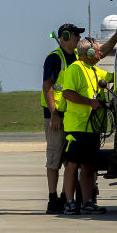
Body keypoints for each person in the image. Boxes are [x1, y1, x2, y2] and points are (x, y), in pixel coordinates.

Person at [60, 20, 117, 215]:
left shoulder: (95, 71)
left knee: (88, 166)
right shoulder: (75, 69)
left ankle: (87, 202)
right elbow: (67, 93)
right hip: (76, 127)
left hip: (91, 128)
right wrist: (90, 103)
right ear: (87, 53)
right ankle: (70, 202)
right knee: (72, 165)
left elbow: (114, 77)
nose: (100, 54)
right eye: (96, 51)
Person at [41, 23, 83, 214]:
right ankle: (52, 199)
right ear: (65, 36)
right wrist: (54, 114)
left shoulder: (76, 58)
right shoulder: (54, 58)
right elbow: (47, 86)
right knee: (54, 157)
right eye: (76, 35)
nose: (78, 39)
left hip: (72, 117)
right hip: (56, 117)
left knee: (71, 159)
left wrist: (116, 35)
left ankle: (67, 197)